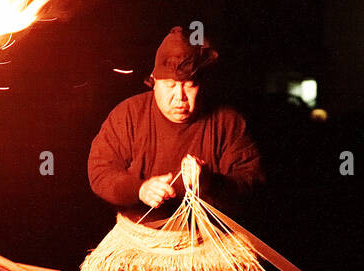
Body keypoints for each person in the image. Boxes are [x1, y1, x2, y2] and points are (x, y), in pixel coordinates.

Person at [87, 26, 264, 227]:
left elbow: (252, 181)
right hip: (140, 236)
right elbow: (100, 171)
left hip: (207, 238)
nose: (179, 97)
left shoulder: (228, 122)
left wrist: (209, 182)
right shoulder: (128, 115)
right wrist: (139, 189)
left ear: (201, 84)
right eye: (170, 85)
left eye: (189, 85)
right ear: (154, 82)